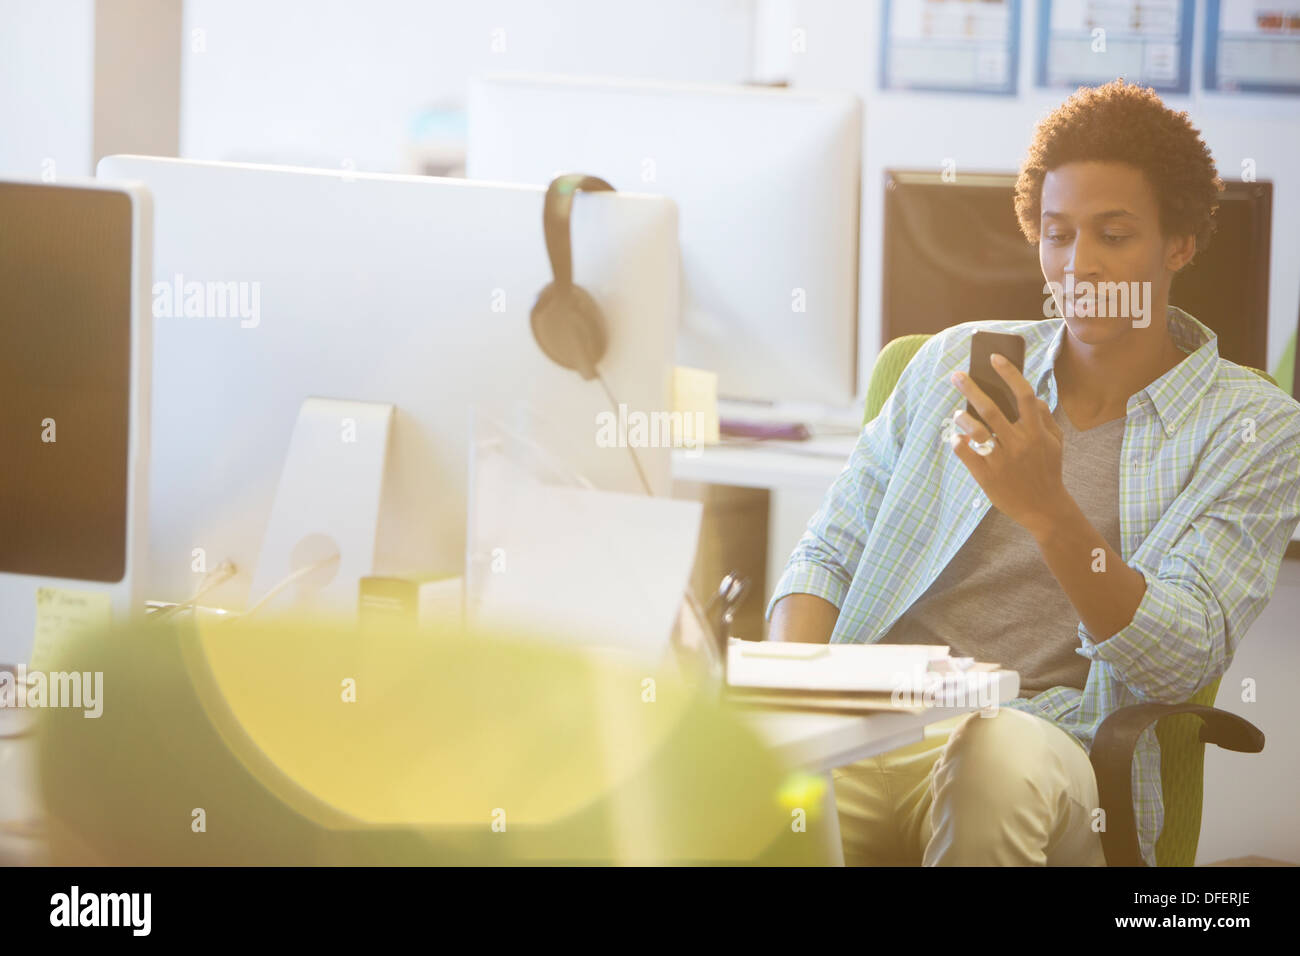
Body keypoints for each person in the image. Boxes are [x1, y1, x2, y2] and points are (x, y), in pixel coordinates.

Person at [765, 78, 1300, 866]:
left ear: (1178, 244)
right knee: (742, 767)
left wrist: (1050, 513)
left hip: (1052, 743)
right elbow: (828, 552)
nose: (1078, 265)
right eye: (1058, 234)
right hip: (881, 721)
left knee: (996, 756)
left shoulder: (1251, 428)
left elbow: (1181, 656)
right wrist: (790, 693)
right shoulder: (951, 361)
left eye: (1113, 235)